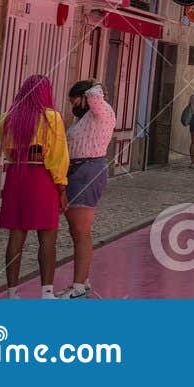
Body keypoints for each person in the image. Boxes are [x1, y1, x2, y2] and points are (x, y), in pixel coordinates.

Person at [0, 75, 69, 299]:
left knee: (16, 235)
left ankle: (12, 292)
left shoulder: (8, 117)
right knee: (47, 236)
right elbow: (58, 157)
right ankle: (47, 293)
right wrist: (62, 188)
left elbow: (7, 151)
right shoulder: (52, 118)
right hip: (41, 177)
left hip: (16, 176)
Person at [61, 80, 116, 299]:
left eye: (74, 98)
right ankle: (81, 281)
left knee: (81, 232)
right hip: (78, 171)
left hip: (88, 171)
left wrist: (94, 85)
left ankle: (79, 287)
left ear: (85, 96)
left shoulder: (101, 110)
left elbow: (95, 95)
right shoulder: (85, 118)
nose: (72, 104)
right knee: (77, 231)